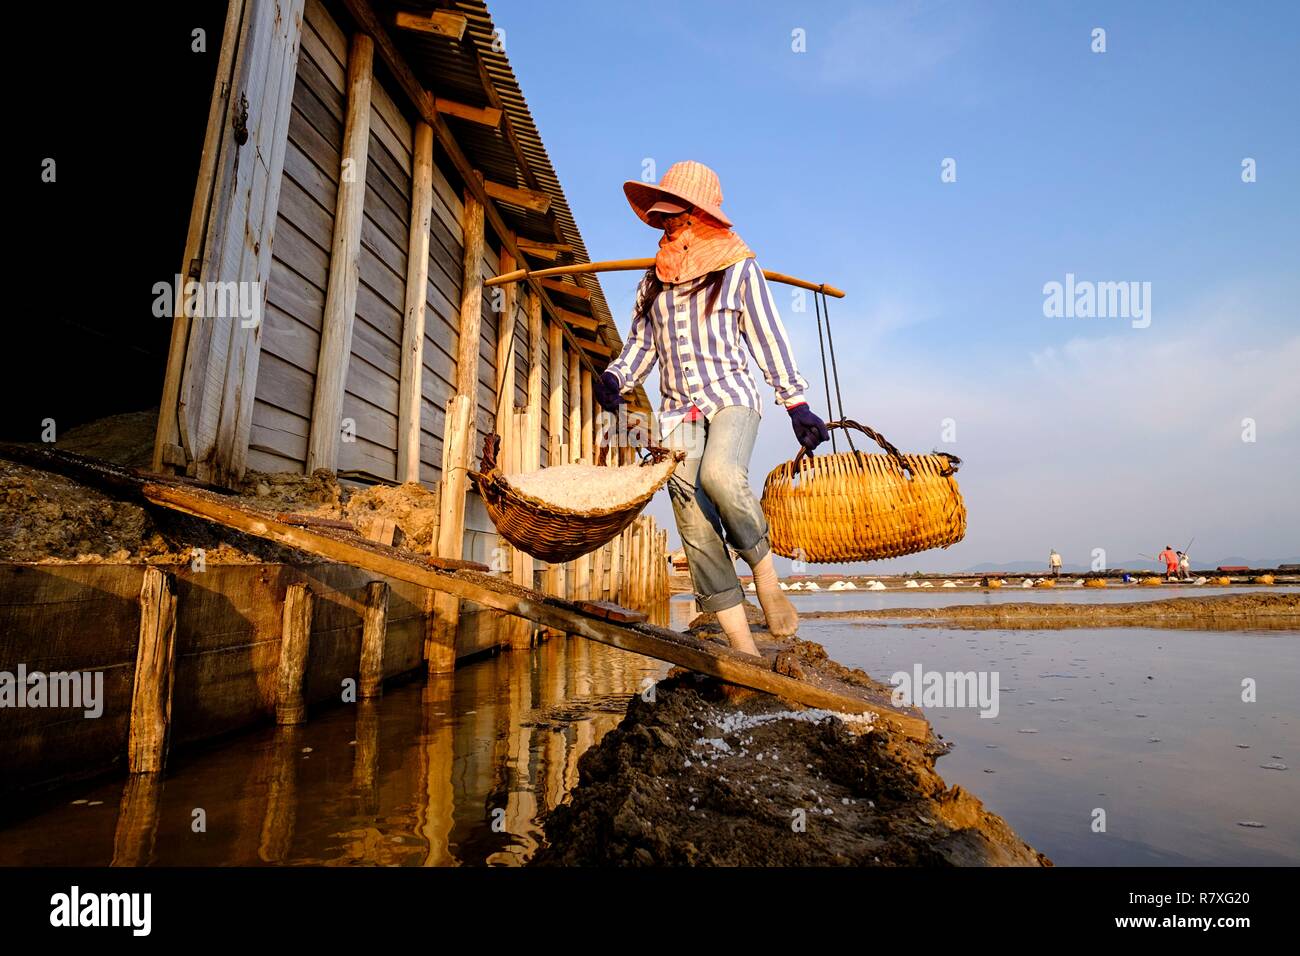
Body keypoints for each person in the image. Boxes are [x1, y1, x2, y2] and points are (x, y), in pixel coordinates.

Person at [594, 161, 829, 658]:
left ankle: (765, 578)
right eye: (661, 219)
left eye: (675, 216)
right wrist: (616, 377)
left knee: (721, 477)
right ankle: (742, 646)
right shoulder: (651, 284)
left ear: (699, 216)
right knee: (694, 521)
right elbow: (641, 347)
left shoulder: (737, 269)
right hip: (679, 412)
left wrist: (797, 403)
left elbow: (768, 336)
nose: (666, 225)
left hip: (731, 397)